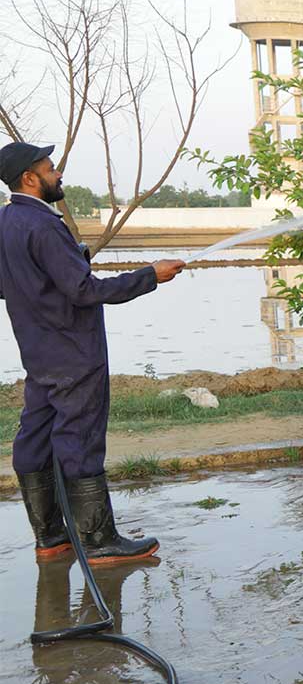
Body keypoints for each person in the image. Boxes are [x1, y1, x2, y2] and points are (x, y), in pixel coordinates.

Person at [0, 141, 187, 563]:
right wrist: (149, 275)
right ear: (30, 178)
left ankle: (51, 538)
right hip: (74, 353)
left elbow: (9, 282)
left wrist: (62, 270)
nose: (58, 173)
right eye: (50, 168)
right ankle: (99, 542)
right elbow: (85, 291)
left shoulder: (6, 221)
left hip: (38, 353)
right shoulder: (44, 226)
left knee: (34, 437)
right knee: (79, 439)